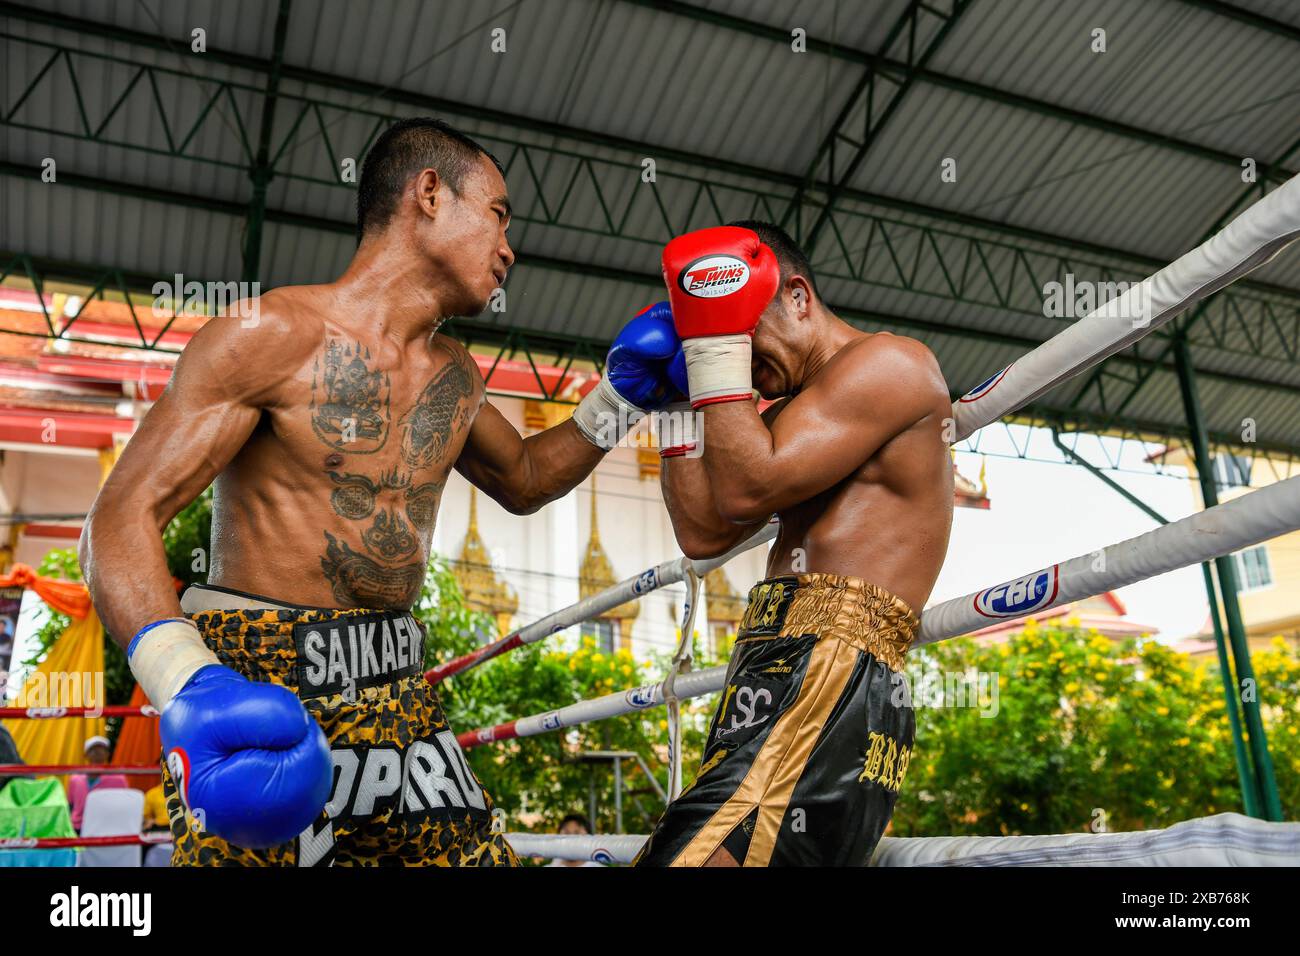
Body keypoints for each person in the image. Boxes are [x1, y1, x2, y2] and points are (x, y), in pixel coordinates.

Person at [79, 117, 684, 866]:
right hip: (265, 680)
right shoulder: (270, 333)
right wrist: (186, 681)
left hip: (396, 679)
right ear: (428, 193)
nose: (509, 248)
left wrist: (618, 399)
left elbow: (525, 479)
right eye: (497, 214)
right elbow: (119, 516)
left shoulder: (456, 376)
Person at [635, 222, 954, 866]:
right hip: (777, 670)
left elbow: (750, 491)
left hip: (829, 671)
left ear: (799, 296)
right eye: (718, 348)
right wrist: (674, 402)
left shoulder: (891, 363)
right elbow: (703, 531)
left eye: (736, 333)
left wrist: (713, 351)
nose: (735, 363)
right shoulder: (786, 417)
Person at [65, 736, 129, 831]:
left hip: (106, 826)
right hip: (78, 826)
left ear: (107, 754)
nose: (97, 752)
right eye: (92, 749)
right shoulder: (75, 778)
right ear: (85, 755)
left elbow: (125, 804)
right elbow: (70, 805)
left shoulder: (119, 778)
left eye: (101, 749)